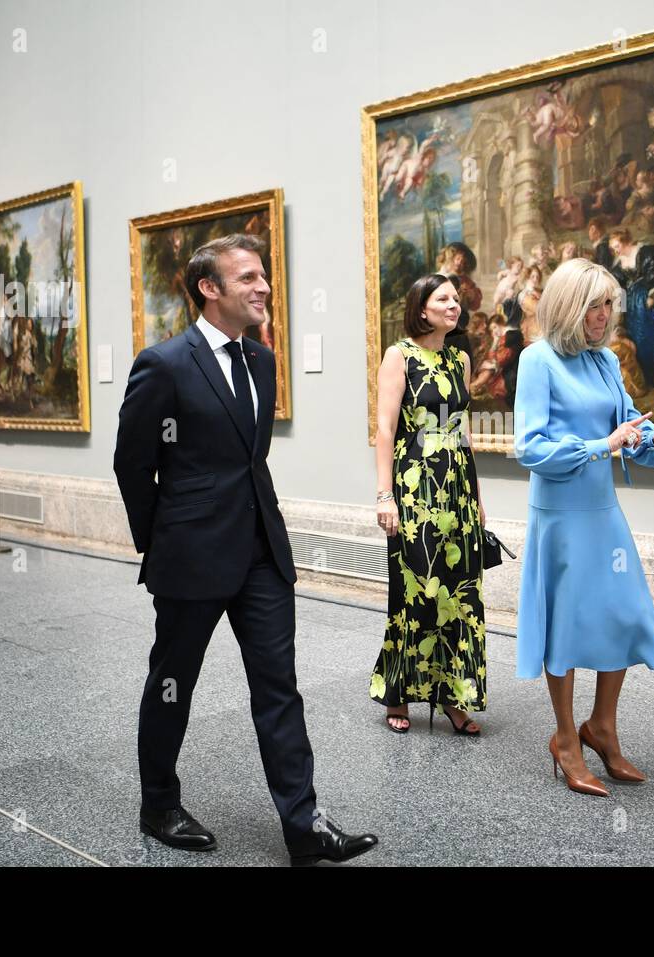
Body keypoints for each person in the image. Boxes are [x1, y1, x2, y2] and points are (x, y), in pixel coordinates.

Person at [114, 233, 377, 866]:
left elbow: (248, 459)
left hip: (261, 552)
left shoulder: (261, 360)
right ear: (211, 289)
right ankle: (159, 803)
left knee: (278, 687)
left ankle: (303, 826)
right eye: (249, 278)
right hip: (191, 557)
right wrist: (162, 543)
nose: (263, 287)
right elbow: (131, 465)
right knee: (174, 681)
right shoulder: (165, 363)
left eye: (264, 276)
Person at [512, 258, 654, 798]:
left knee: (623, 613)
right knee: (564, 624)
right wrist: (600, 447)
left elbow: (627, 424)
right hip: (560, 515)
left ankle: (601, 727)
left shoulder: (607, 360)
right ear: (568, 305)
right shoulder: (537, 360)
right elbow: (530, 447)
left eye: (610, 304)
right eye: (594, 304)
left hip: (603, 510)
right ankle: (566, 738)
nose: (604, 315)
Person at [372, 275, 488, 736]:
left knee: (459, 593)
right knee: (418, 589)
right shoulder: (399, 355)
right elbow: (384, 430)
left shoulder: (460, 358)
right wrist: (384, 496)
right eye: (443, 298)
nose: (454, 305)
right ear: (422, 308)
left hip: (456, 485)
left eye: (456, 299)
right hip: (415, 483)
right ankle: (398, 691)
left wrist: (478, 499)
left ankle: (454, 696)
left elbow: (462, 431)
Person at [608, 227, 654, 388]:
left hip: (646, 302)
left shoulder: (646, 252)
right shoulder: (618, 264)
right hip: (631, 306)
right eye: (613, 248)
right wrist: (617, 314)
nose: (615, 250)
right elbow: (618, 290)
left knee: (649, 337)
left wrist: (652, 295)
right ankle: (645, 378)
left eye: (617, 246)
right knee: (635, 337)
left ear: (625, 241)